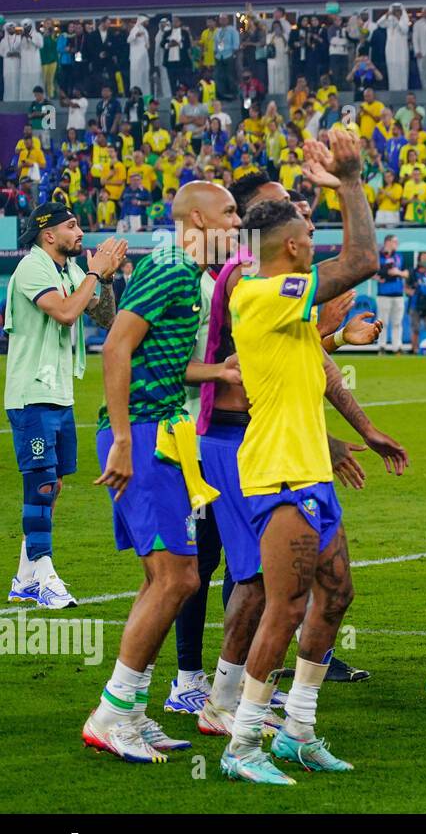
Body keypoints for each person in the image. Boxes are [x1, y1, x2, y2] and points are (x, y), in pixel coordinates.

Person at [219, 130, 382, 785]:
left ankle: (299, 730)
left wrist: (351, 435)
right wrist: (349, 184)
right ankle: (242, 745)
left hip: (307, 466)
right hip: (278, 472)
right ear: (290, 247)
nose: (315, 245)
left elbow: (310, 370)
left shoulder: (286, 306)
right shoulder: (259, 294)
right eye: (309, 236)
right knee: (283, 608)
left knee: (335, 594)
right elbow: (363, 259)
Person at [84, 180, 243, 764]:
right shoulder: (173, 267)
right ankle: (111, 712)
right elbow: (116, 347)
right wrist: (124, 439)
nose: (237, 220)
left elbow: (163, 359)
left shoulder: (188, 275)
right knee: (177, 579)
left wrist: (217, 373)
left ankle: (129, 710)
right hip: (146, 436)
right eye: (229, 212)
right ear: (197, 219)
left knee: (165, 578)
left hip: (164, 433)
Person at [5, 205, 124, 608]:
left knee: (52, 486)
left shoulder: (68, 271)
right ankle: (45, 572)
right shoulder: (32, 269)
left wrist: (106, 278)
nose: (80, 232)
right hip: (31, 392)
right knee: (39, 485)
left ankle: (25, 577)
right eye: (71, 226)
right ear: (48, 235)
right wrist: (93, 274)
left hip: (59, 394)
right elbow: (68, 313)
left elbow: (106, 317)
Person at [375, 234, 408, 354]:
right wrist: (378, 277)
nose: (396, 244)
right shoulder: (379, 256)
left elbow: (406, 273)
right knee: (383, 322)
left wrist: (397, 272)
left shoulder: (399, 256)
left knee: (397, 322)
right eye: (394, 241)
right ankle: (381, 346)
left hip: (398, 293)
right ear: (387, 242)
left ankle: (397, 347)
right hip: (383, 293)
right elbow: (373, 271)